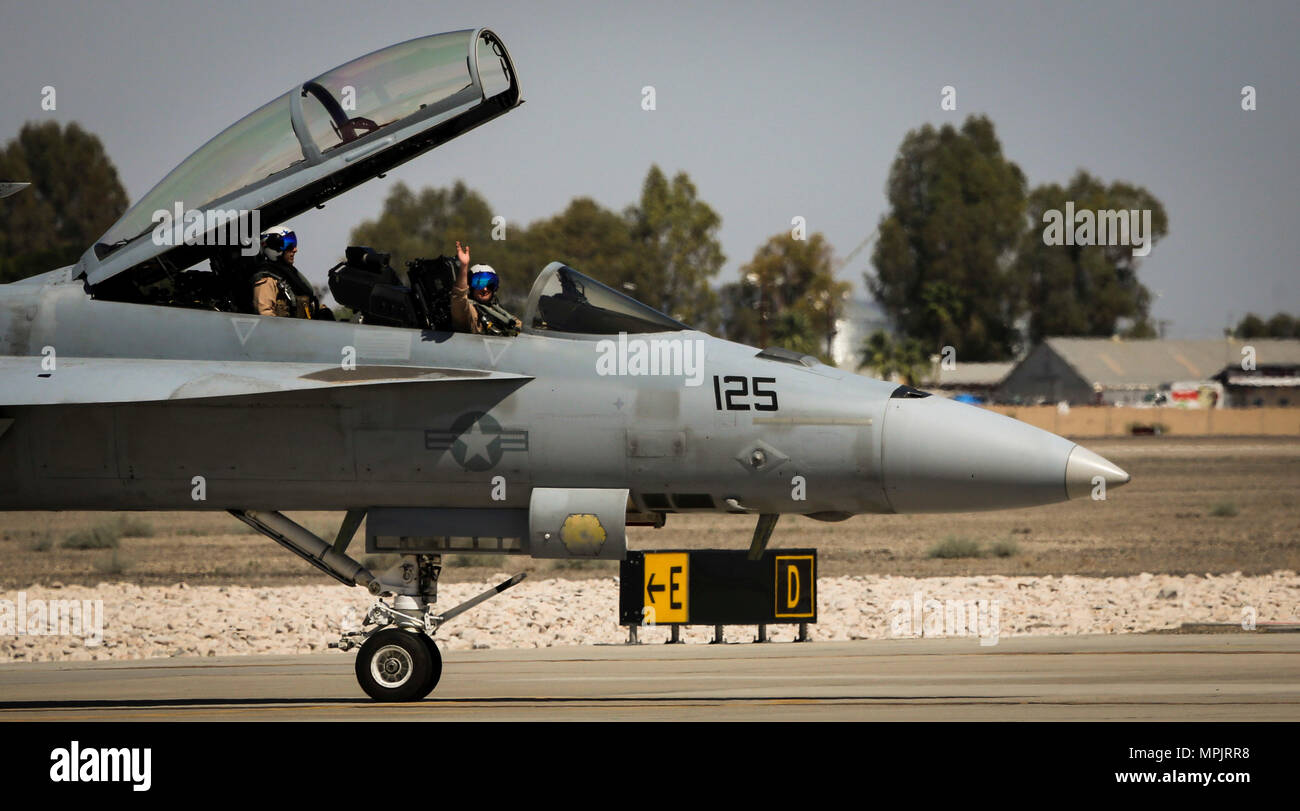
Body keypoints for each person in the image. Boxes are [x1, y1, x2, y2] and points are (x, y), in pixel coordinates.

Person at [250, 226, 333, 319]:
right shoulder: (267, 280)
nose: (295, 250)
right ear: (275, 248)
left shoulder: (287, 275)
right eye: (289, 246)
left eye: (294, 244)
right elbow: (265, 316)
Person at [450, 240, 521, 335]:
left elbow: (521, 327)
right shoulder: (469, 312)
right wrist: (464, 267)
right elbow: (458, 299)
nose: (485, 289)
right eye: (479, 284)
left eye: (490, 284)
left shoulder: (497, 310)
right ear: (470, 287)